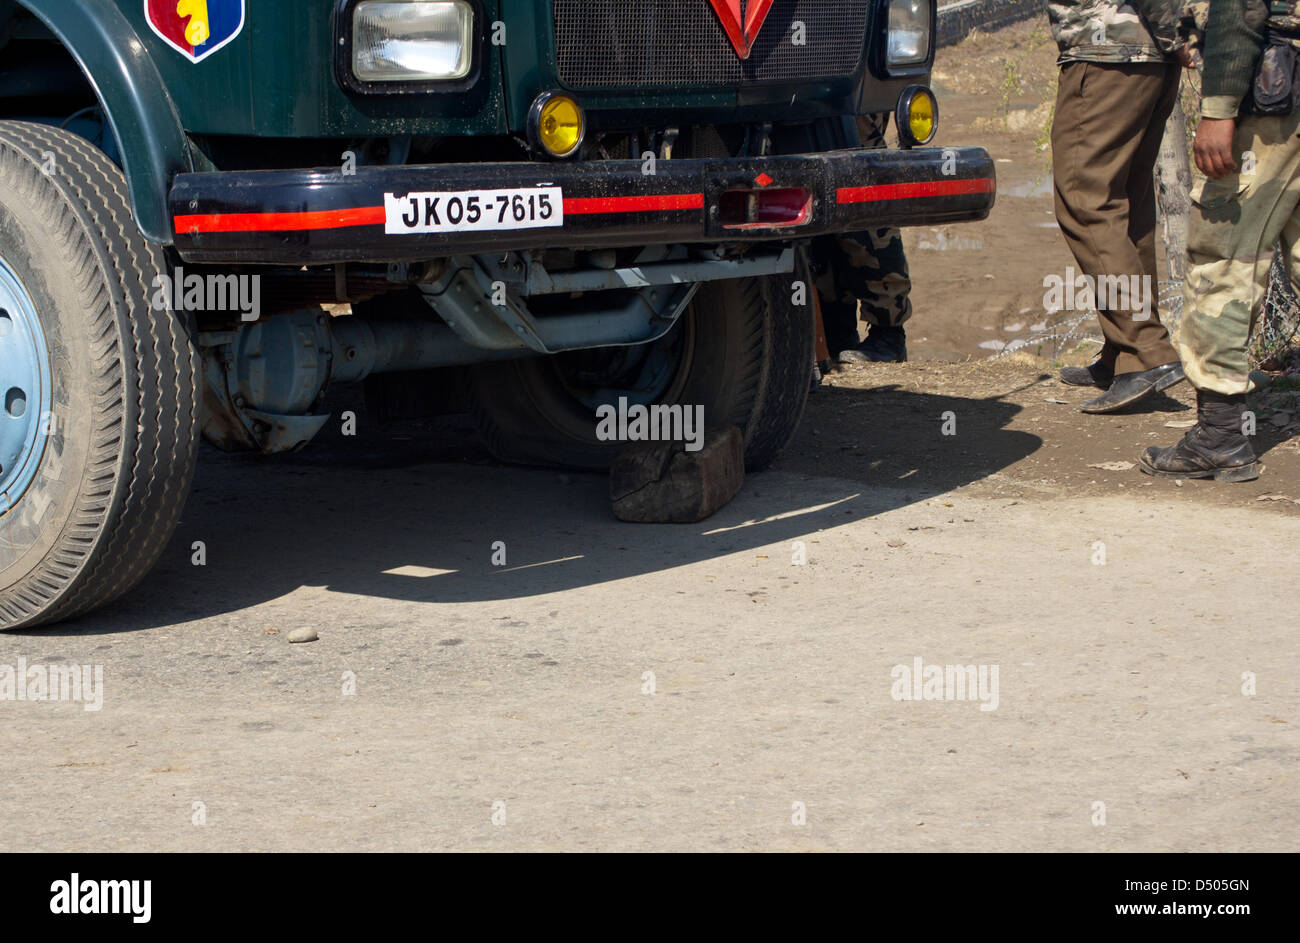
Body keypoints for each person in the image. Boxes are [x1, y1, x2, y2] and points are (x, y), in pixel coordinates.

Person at [1141, 0, 1280, 482]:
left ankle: (1220, 436)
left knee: (1222, 263)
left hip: (1275, 113)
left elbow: (1241, 11)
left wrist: (1218, 110)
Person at [1048, 0, 1191, 411]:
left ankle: (1146, 352)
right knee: (1126, 202)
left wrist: (1174, 34)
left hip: (1109, 54)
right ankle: (1124, 352)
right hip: (1142, 56)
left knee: (1084, 197)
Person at [811, 114, 913, 365]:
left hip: (847, 90)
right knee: (813, 198)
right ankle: (835, 334)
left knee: (861, 185)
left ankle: (888, 333)